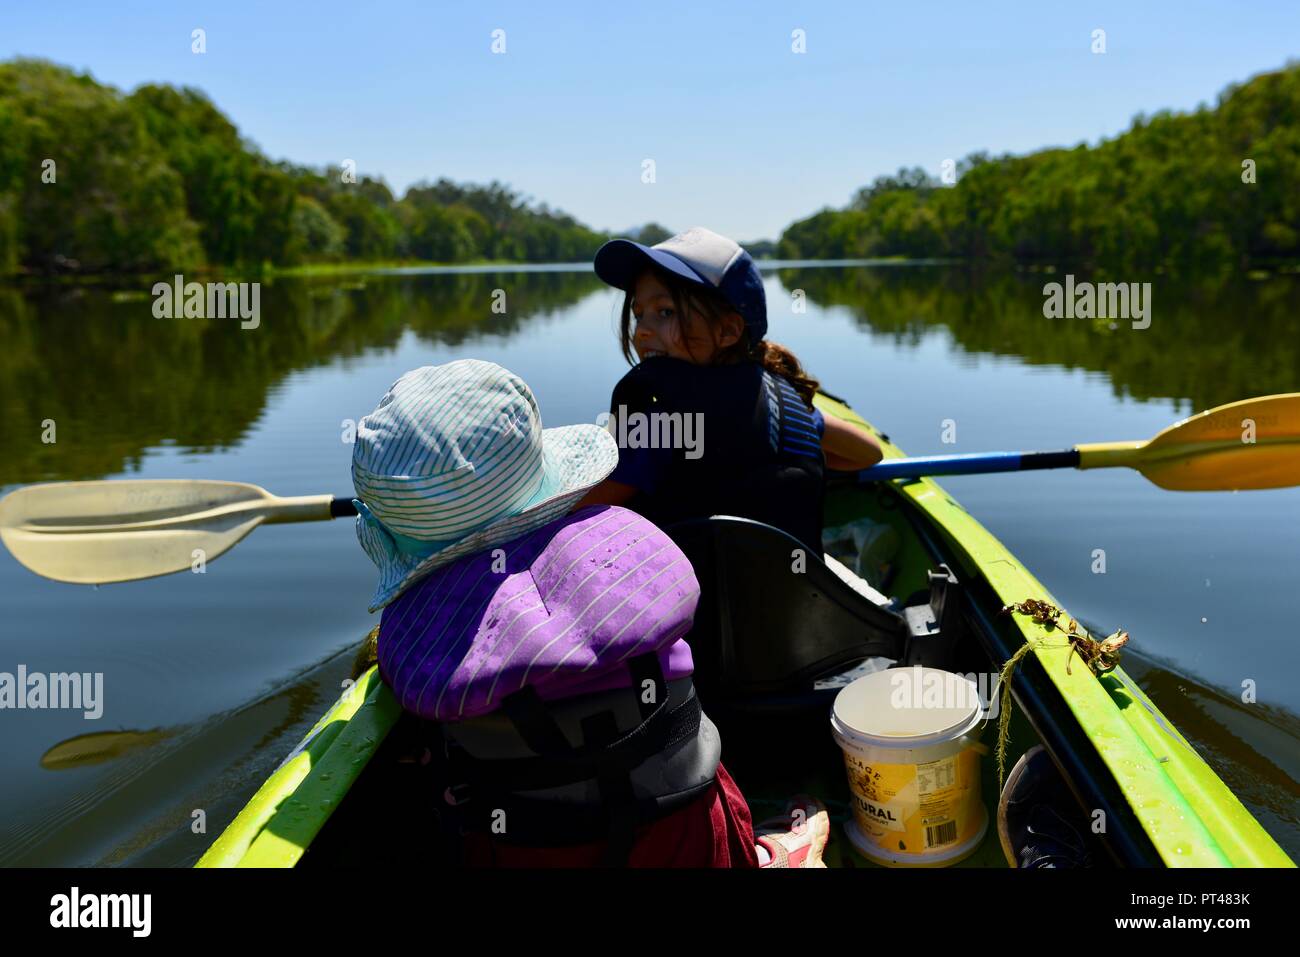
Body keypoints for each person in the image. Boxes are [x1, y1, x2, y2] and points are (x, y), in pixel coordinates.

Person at [350, 359, 829, 867]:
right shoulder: (626, 536)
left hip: (528, 852)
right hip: (692, 833)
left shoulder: (415, 631)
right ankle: (765, 857)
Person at [576, 226, 884, 558]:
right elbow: (868, 453)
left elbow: (578, 511)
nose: (644, 332)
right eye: (639, 315)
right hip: (797, 603)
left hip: (694, 607)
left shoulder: (660, 424)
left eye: (665, 312)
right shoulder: (789, 407)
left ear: (727, 331)